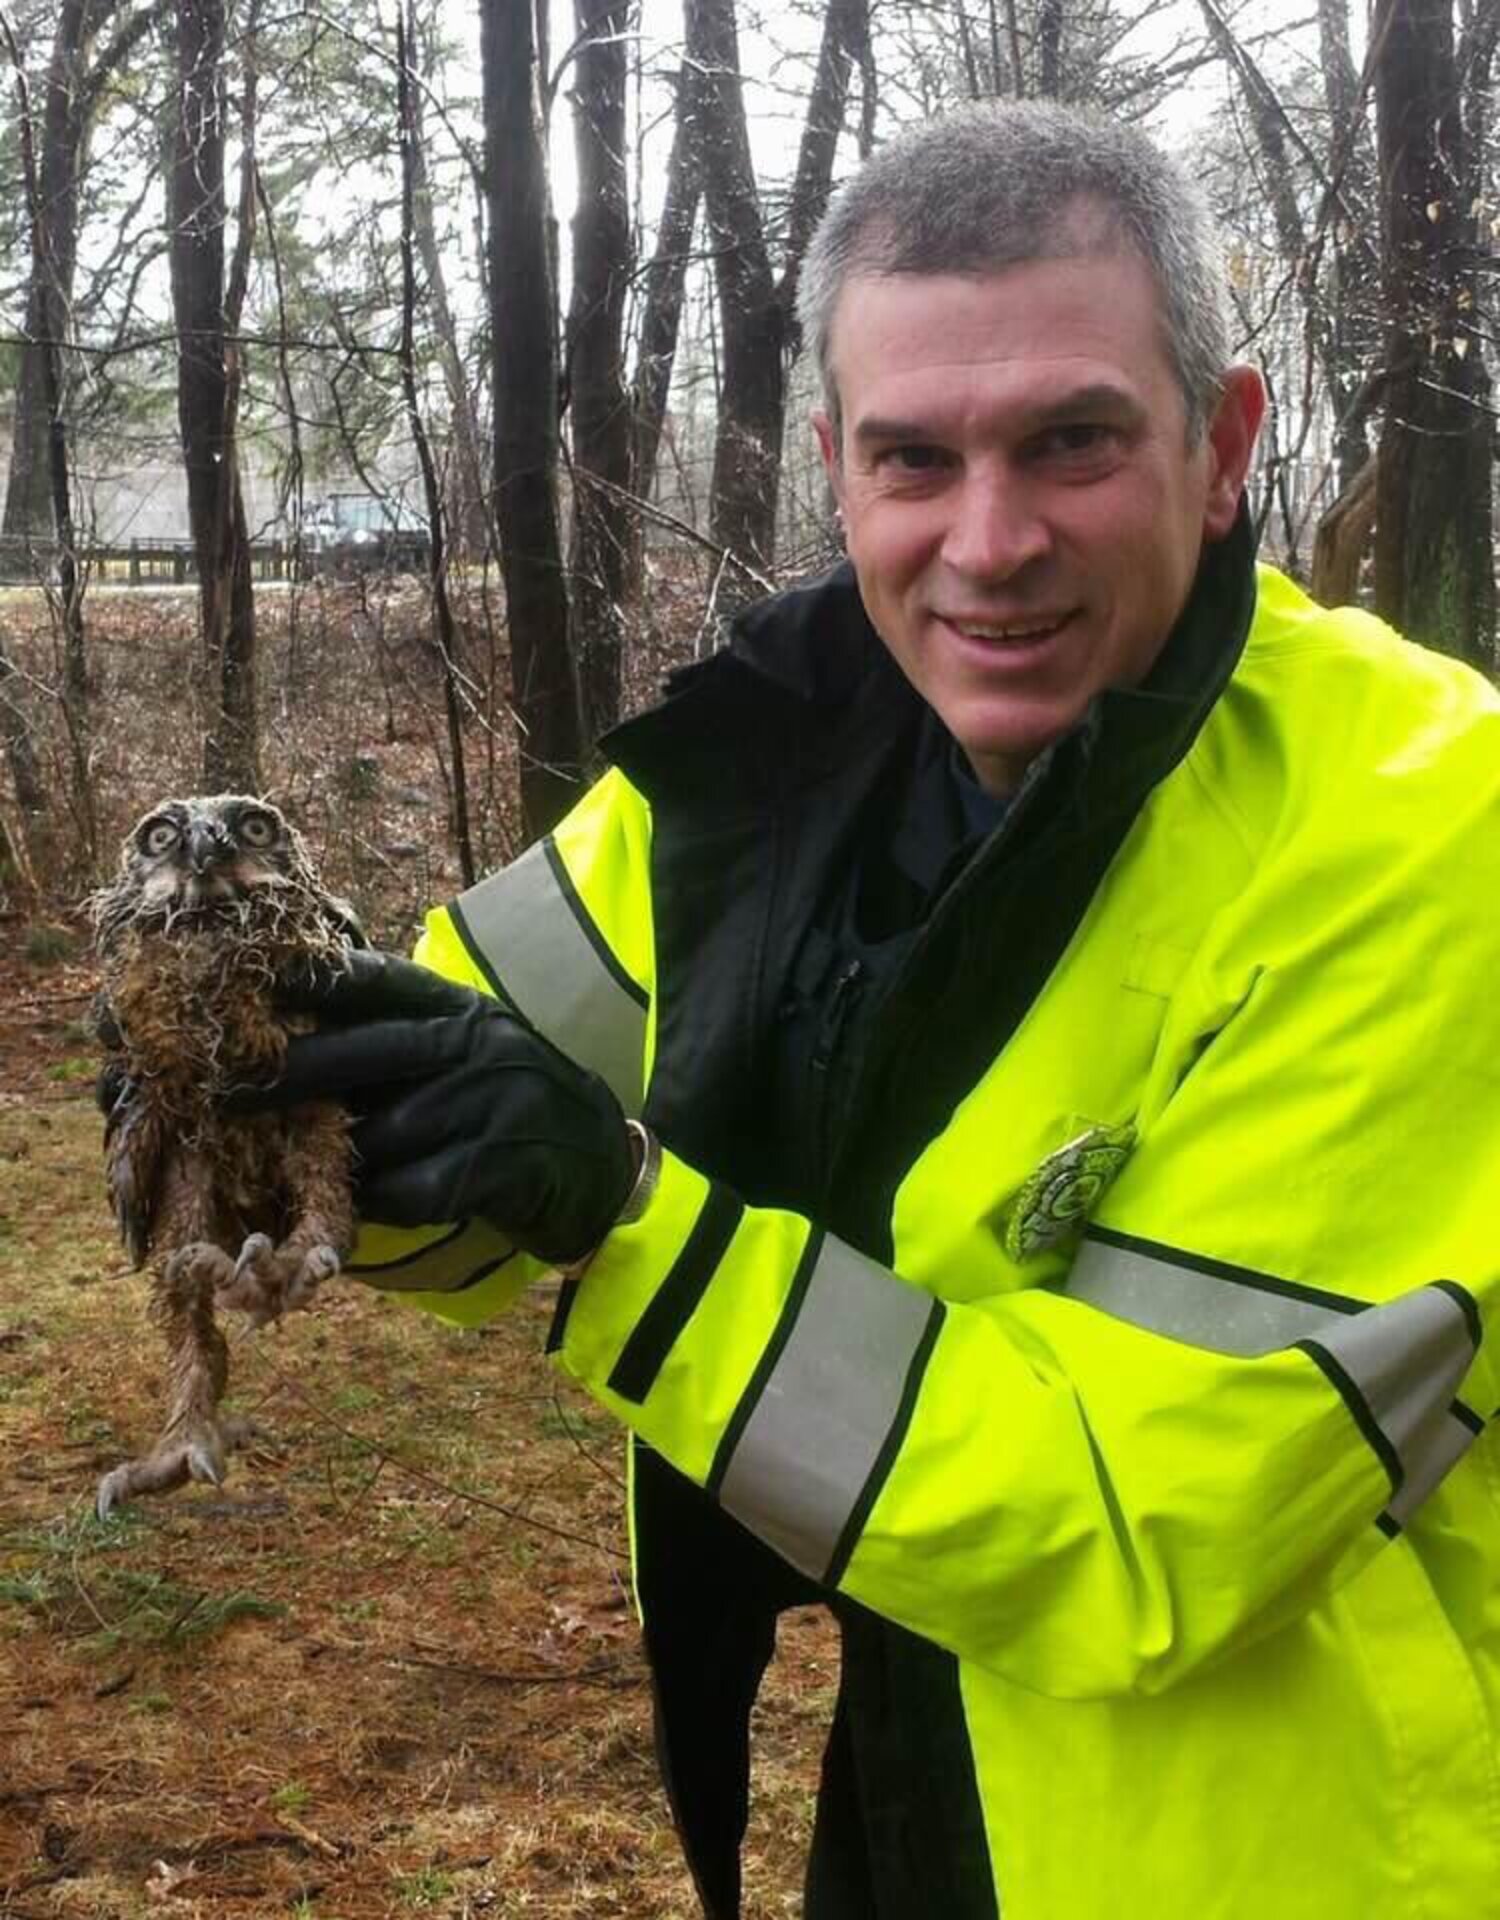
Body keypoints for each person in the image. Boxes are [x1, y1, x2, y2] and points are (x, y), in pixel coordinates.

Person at [262, 102, 1500, 1920]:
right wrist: (263, 1096)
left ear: (1223, 444)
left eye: (1072, 444)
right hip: (918, 1767)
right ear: (834, 461)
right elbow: (438, 1135)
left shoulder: (1427, 818)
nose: (986, 545)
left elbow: (1137, 1521)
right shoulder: (771, 758)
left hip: (1258, 1844)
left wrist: (622, 1229)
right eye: (915, 461)